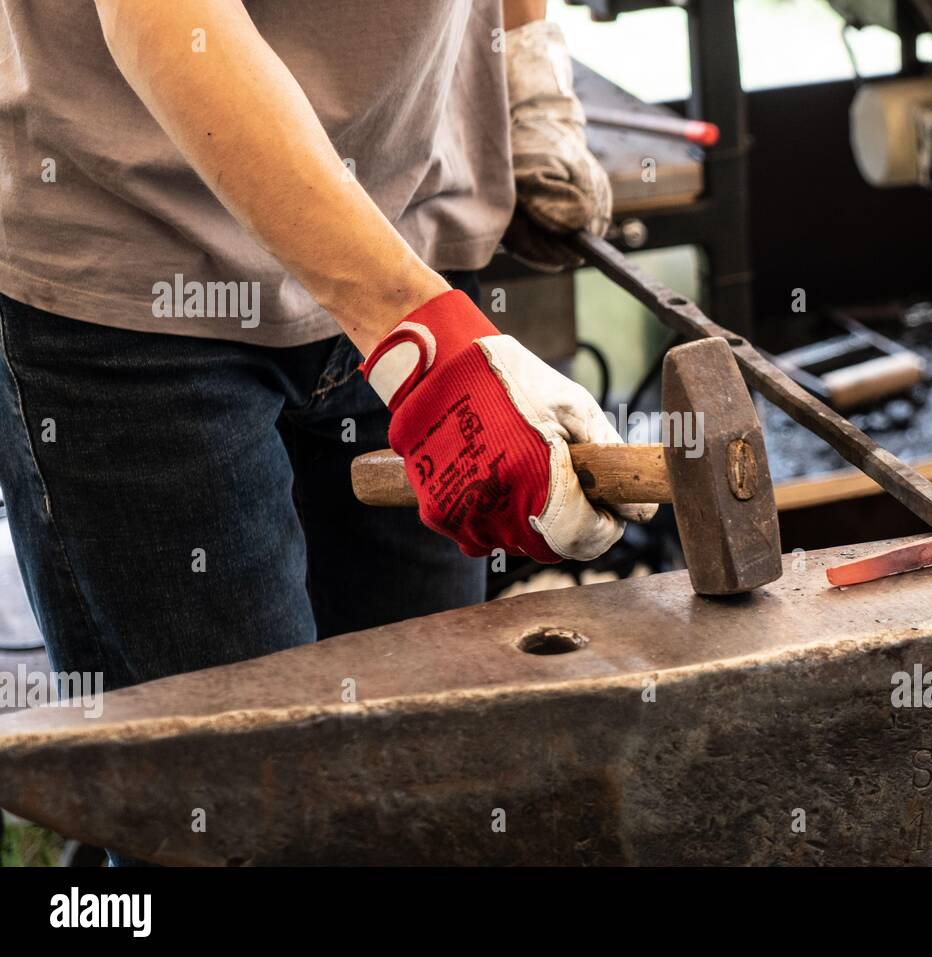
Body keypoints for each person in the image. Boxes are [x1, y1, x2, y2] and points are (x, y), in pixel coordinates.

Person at [0, 0, 652, 701]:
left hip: (406, 218)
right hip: (141, 266)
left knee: (425, 737)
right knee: (235, 777)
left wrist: (530, 74)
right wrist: (425, 344)